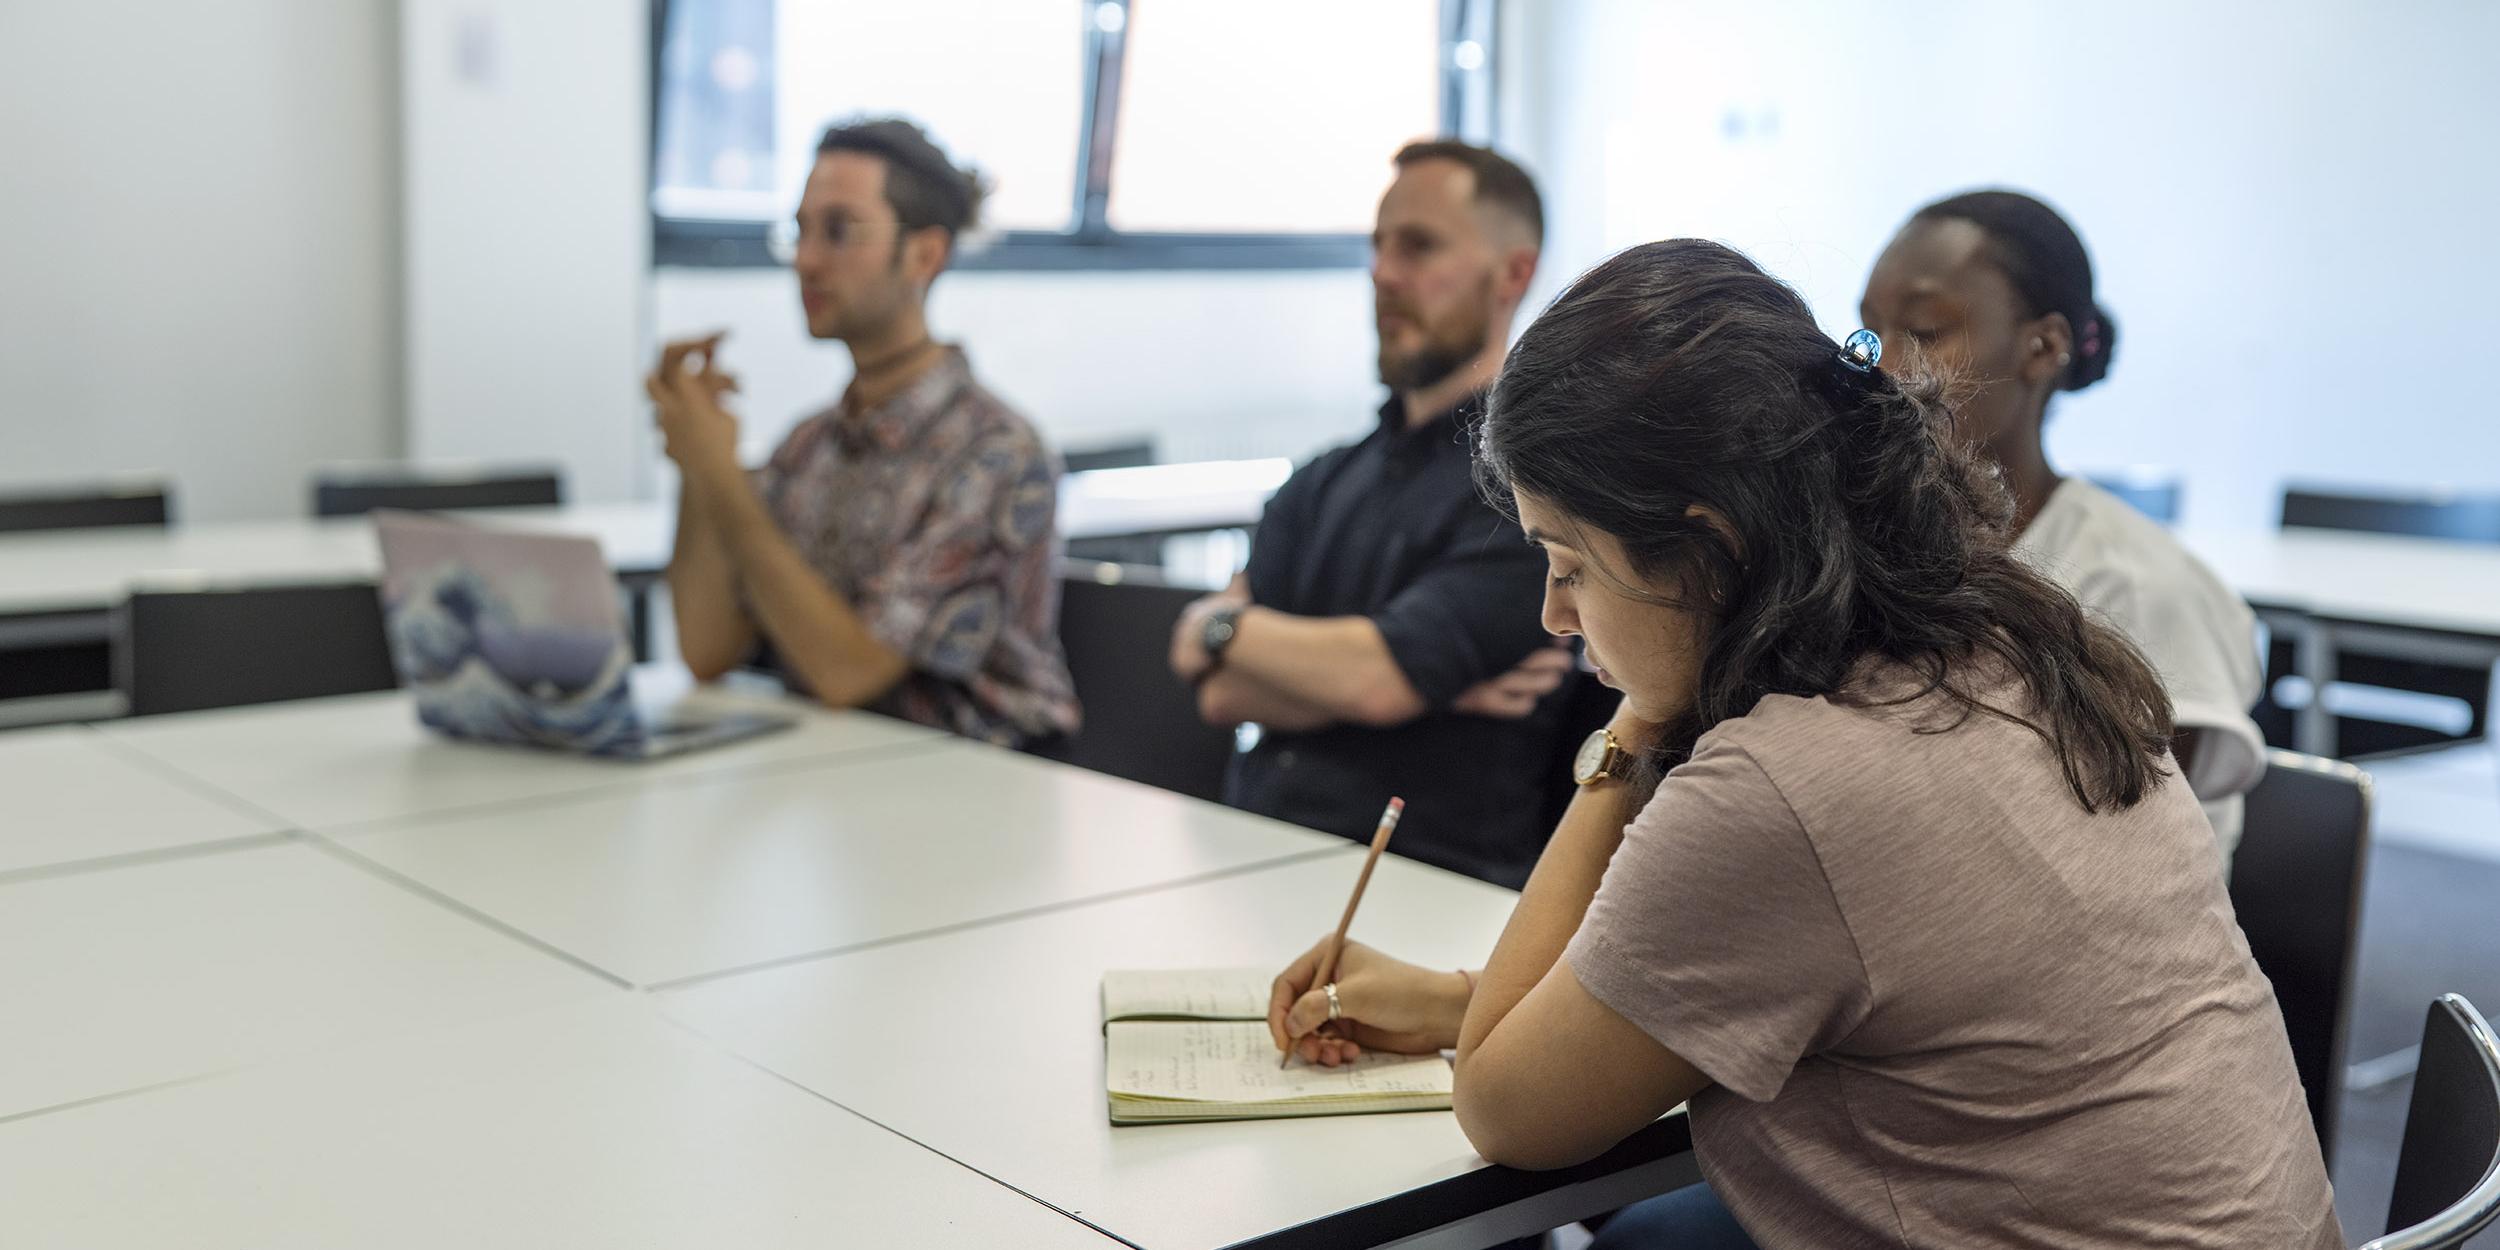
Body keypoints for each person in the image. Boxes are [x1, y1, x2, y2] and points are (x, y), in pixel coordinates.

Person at [1267, 240, 2341, 1248]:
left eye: (1570, 562)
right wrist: (1462, 1001)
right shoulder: (2014, 636)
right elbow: (1791, 972)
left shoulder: (1785, 783)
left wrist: (1634, 726)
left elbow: (1505, 1109)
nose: (1554, 613)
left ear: (1707, 549)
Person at [1168, 141, 1574, 889]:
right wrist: (1213, 632)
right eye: (1379, 247)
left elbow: (1376, 681)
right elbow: (1218, 689)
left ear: (1512, 274)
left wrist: (1247, 642)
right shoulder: (1325, 478)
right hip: (1251, 856)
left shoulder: (1531, 491)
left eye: (1418, 246)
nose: (1383, 274)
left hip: (1427, 892)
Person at [647, 117, 1077, 748]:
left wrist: (719, 473)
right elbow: (707, 650)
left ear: (924, 255)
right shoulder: (809, 445)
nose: (806, 260)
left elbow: (849, 672)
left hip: (977, 790)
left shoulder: (996, 455)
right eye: (799, 232)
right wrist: (698, 463)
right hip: (838, 780)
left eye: (839, 232)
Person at [1861, 189, 2264, 862]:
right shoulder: (1884, 548)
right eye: (1870, 332)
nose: (1886, 368)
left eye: (1925, 331)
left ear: (2043, 347)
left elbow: (2129, 863)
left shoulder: (2139, 588)